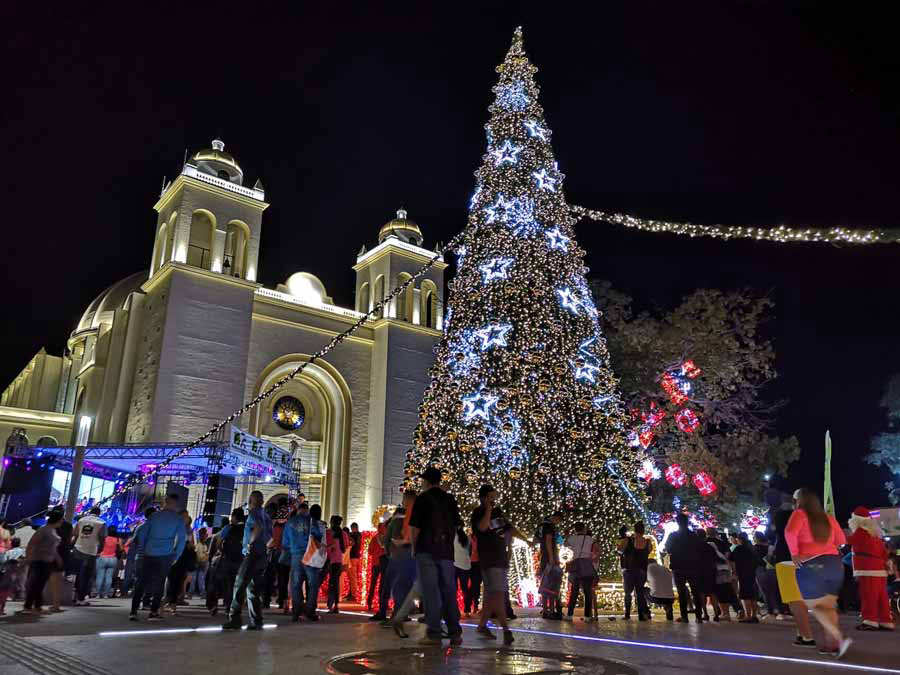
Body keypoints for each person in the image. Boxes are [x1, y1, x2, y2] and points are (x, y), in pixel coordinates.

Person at [785, 488, 850, 658]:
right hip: (834, 564)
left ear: (799, 501)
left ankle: (838, 638)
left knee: (816, 606)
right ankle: (832, 645)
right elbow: (842, 540)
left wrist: (794, 553)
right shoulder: (827, 517)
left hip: (812, 564)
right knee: (828, 606)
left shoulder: (799, 514)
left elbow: (790, 532)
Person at [409, 467, 463, 646]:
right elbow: (456, 525)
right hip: (446, 551)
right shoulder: (449, 499)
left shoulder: (422, 499)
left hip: (426, 550)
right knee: (448, 591)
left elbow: (415, 528)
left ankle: (434, 633)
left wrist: (414, 548)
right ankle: (455, 632)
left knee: (431, 592)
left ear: (426, 481)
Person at [129, 493, 186, 621]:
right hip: (165, 554)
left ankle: (133, 611)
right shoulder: (177, 519)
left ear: (165, 502)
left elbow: (142, 533)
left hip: (149, 553)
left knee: (141, 582)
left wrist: (143, 548)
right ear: (175, 504)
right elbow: (181, 540)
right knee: (159, 583)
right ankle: (153, 612)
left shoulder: (154, 516)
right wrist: (176, 555)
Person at [471, 484, 515, 645]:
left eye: (494, 497)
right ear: (483, 498)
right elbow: (482, 528)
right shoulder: (478, 513)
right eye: (490, 497)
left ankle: (482, 626)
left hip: (500, 558)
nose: (493, 500)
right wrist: (488, 510)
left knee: (491, 596)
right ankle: (506, 630)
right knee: (497, 595)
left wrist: (512, 545)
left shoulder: (498, 512)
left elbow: (508, 529)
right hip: (489, 560)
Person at [224, 490, 272, 630]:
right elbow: (271, 537)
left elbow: (257, 528)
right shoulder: (267, 516)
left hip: (253, 553)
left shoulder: (254, 513)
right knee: (253, 589)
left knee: (239, 584)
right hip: (262, 554)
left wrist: (250, 544)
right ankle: (256, 621)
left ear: (252, 500)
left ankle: (235, 618)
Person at [772, 497, 816, 646]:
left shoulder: (781, 516)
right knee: (799, 599)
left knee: (795, 600)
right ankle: (801, 633)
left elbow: (775, 530)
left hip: (786, 560)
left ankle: (807, 636)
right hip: (803, 559)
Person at [847, 506, 894, 631]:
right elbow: (884, 553)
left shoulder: (860, 532)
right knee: (882, 596)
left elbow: (848, 540)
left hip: (867, 569)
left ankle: (870, 620)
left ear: (856, 520)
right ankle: (885, 620)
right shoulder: (875, 534)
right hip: (880, 569)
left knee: (868, 595)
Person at [282, 501, 324, 621]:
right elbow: (318, 536)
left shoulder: (290, 522)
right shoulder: (311, 521)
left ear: (298, 510)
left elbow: (285, 543)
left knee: (296, 584)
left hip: (295, 555)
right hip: (309, 554)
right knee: (313, 584)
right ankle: (310, 611)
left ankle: (296, 612)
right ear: (307, 510)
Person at [663, 513, 704, 623]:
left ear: (678, 523)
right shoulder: (693, 535)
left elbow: (668, 549)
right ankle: (699, 616)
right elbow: (699, 549)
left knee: (681, 592)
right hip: (693, 566)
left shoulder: (673, 536)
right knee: (695, 591)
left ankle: (684, 616)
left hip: (678, 566)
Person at [21, 510, 63, 614]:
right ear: (57, 519)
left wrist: (57, 558)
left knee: (40, 584)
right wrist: (28, 558)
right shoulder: (43, 530)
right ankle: (28, 606)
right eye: (61, 519)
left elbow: (52, 548)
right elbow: (31, 544)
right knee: (35, 584)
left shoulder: (52, 530)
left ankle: (37, 606)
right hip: (39, 561)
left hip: (47, 561)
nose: (62, 521)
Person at [207, 510, 244, 616]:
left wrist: (221, 552)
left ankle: (215, 605)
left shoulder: (228, 528)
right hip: (240, 561)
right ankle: (230, 607)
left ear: (234, 517)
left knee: (221, 583)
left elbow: (219, 542)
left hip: (227, 560)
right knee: (235, 586)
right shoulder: (246, 529)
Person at [72, 506, 107, 605]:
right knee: (86, 575)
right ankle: (81, 598)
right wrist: (100, 549)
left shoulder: (81, 520)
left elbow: (75, 534)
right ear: (99, 513)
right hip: (91, 550)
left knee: (78, 573)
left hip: (78, 548)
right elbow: (102, 538)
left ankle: (75, 596)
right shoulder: (101, 523)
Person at [564, 522, 597, 622]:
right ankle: (587, 616)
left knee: (574, 591)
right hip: (587, 565)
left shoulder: (572, 538)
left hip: (576, 566)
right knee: (587, 592)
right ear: (584, 529)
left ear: (575, 529)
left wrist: (567, 535)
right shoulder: (590, 539)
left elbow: (565, 544)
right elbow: (596, 550)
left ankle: (569, 615)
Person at [165, 510, 196, 613]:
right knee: (172, 579)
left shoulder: (189, 530)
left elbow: (192, 544)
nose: (186, 518)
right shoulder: (174, 527)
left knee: (179, 580)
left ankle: (173, 602)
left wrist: (190, 545)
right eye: (184, 516)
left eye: (187, 516)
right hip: (174, 556)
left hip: (184, 557)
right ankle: (169, 600)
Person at [620, 522, 651, 621]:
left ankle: (627, 614)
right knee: (640, 593)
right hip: (642, 570)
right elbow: (648, 551)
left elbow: (620, 550)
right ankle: (641, 615)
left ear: (634, 530)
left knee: (628, 593)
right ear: (643, 530)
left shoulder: (628, 540)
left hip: (629, 569)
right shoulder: (648, 542)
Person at [730, 531, 762, 622]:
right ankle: (754, 615)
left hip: (742, 574)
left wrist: (734, 571)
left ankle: (748, 616)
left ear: (739, 539)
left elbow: (732, 560)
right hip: (752, 573)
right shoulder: (752, 548)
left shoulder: (738, 549)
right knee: (753, 595)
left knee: (745, 596)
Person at [537, 511, 563, 619]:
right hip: (549, 558)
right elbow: (549, 541)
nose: (558, 523)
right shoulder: (549, 526)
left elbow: (538, 540)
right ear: (556, 518)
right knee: (552, 584)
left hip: (544, 556)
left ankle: (546, 611)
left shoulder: (541, 525)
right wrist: (552, 557)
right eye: (558, 521)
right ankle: (551, 611)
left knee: (545, 585)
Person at [325, 515, 349, 613]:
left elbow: (325, 545)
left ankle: (330, 604)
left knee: (330, 583)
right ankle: (336, 605)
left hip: (328, 560)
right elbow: (346, 547)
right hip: (339, 561)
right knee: (335, 583)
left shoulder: (328, 532)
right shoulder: (344, 534)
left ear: (331, 522)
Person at [366, 515, 388, 612]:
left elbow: (370, 551)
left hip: (375, 563)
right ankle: (381, 604)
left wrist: (376, 553)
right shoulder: (386, 538)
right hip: (383, 564)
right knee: (382, 585)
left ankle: (370, 603)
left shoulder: (374, 538)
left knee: (373, 584)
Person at [95, 526, 122, 598]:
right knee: (109, 577)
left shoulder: (104, 538)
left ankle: (98, 594)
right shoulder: (117, 539)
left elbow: (98, 547)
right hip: (113, 559)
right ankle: (106, 594)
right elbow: (121, 549)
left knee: (100, 576)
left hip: (102, 558)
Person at [0, 537, 25, 614]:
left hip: (9, 572)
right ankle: (20, 597)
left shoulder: (8, 552)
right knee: (20, 584)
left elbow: (4, 561)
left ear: (11, 544)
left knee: (5, 589)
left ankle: (2, 608)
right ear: (19, 543)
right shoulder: (23, 551)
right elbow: (25, 559)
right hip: (20, 572)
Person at [454, 525, 473, 617]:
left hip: (455, 564)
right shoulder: (467, 538)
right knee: (465, 589)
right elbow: (470, 552)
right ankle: (467, 610)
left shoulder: (453, 537)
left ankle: (455, 610)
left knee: (454, 589)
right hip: (466, 565)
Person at [345, 522, 362, 603]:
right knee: (352, 576)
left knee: (352, 577)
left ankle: (353, 594)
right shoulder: (359, 535)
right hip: (356, 556)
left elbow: (352, 544)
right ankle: (351, 593)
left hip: (353, 557)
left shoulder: (354, 535)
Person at [193, 527, 210, 598]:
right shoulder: (199, 545)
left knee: (200, 578)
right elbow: (198, 556)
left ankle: (201, 592)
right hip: (200, 563)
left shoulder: (204, 545)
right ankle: (199, 592)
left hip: (202, 563)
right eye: (206, 534)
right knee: (198, 578)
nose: (207, 535)